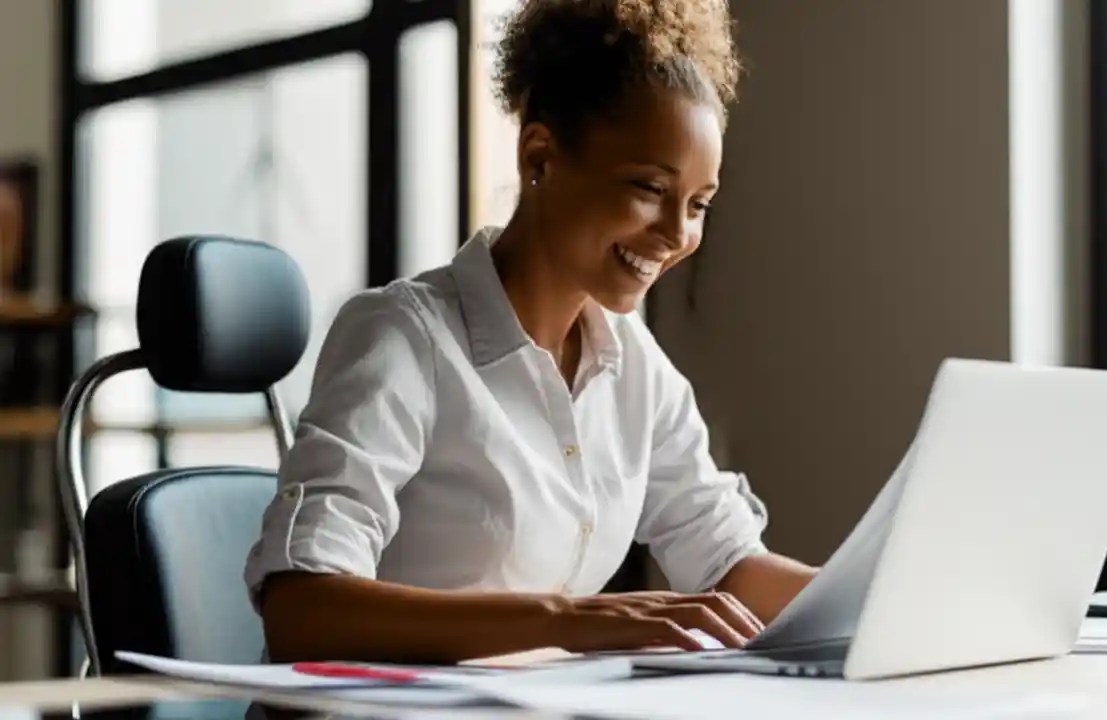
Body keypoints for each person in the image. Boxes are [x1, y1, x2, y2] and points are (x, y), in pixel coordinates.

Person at [246, 0, 816, 664]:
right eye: (648, 187)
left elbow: (729, 564)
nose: (677, 234)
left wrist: (897, 607)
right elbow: (302, 610)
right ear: (539, 155)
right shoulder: (404, 339)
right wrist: (569, 622)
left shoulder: (633, 365)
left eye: (698, 205)